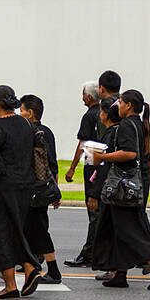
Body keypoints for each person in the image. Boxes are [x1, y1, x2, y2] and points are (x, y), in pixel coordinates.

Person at [92, 90, 150, 289]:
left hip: (123, 185)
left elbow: (129, 153)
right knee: (117, 227)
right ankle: (120, 273)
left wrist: (102, 157)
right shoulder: (143, 126)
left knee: (127, 228)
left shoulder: (127, 125)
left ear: (128, 106)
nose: (117, 106)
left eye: (120, 102)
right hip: (137, 183)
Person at [0, 85, 42, 299]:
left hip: (2, 188)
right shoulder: (25, 123)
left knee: (0, 234)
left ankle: (11, 285)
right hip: (24, 185)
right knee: (15, 230)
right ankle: (30, 268)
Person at [20, 93, 62, 283]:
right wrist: (55, 190)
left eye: (21, 110)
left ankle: (52, 269)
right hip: (44, 187)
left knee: (37, 229)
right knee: (35, 228)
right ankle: (33, 264)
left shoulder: (28, 132)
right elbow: (52, 164)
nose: (19, 113)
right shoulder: (47, 132)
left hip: (32, 188)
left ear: (30, 113)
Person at [65, 80, 104, 268]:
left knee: (93, 209)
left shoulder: (89, 116)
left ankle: (90, 252)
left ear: (89, 96)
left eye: (83, 94)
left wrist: (72, 167)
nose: (82, 98)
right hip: (106, 165)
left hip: (93, 167)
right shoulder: (108, 112)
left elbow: (83, 144)